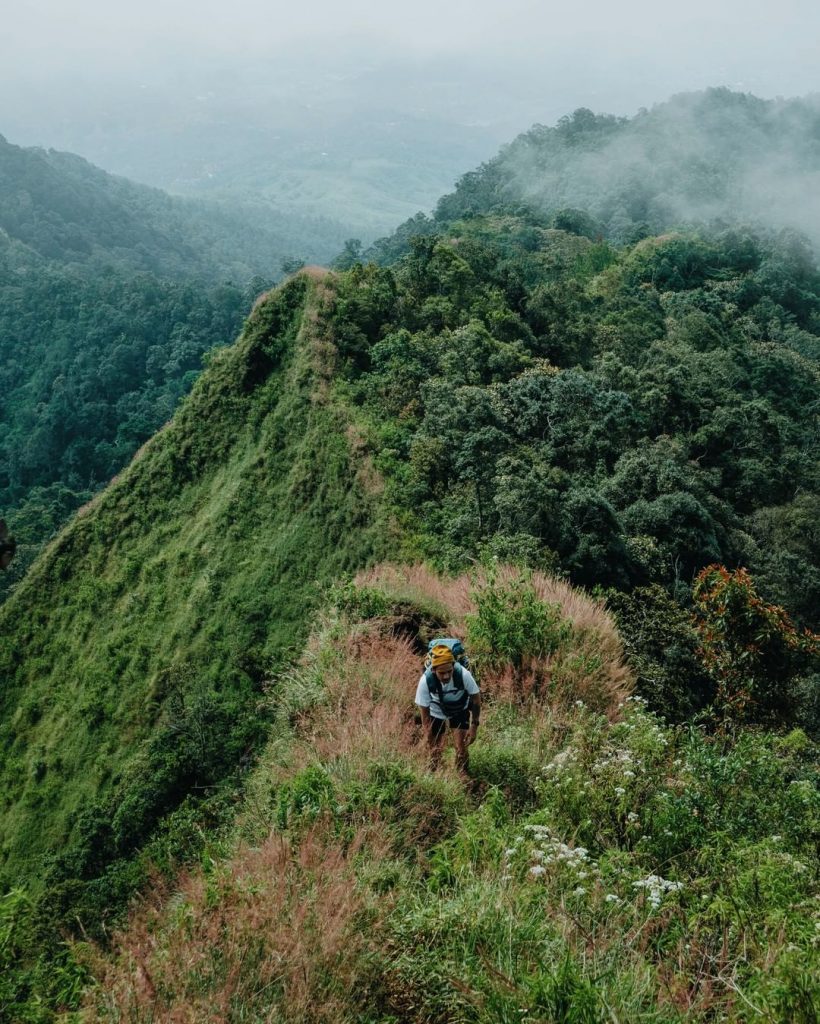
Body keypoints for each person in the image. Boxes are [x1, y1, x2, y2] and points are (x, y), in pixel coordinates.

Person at [415, 643, 481, 775]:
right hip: (435, 711)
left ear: (453, 667)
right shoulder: (425, 681)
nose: (446, 676)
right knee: (435, 749)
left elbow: (476, 698)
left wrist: (474, 726)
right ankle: (435, 775)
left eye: (449, 671)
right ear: (433, 670)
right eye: (441, 673)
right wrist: (429, 736)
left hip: (459, 709)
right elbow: (425, 714)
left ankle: (463, 776)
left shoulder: (463, 674)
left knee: (461, 749)